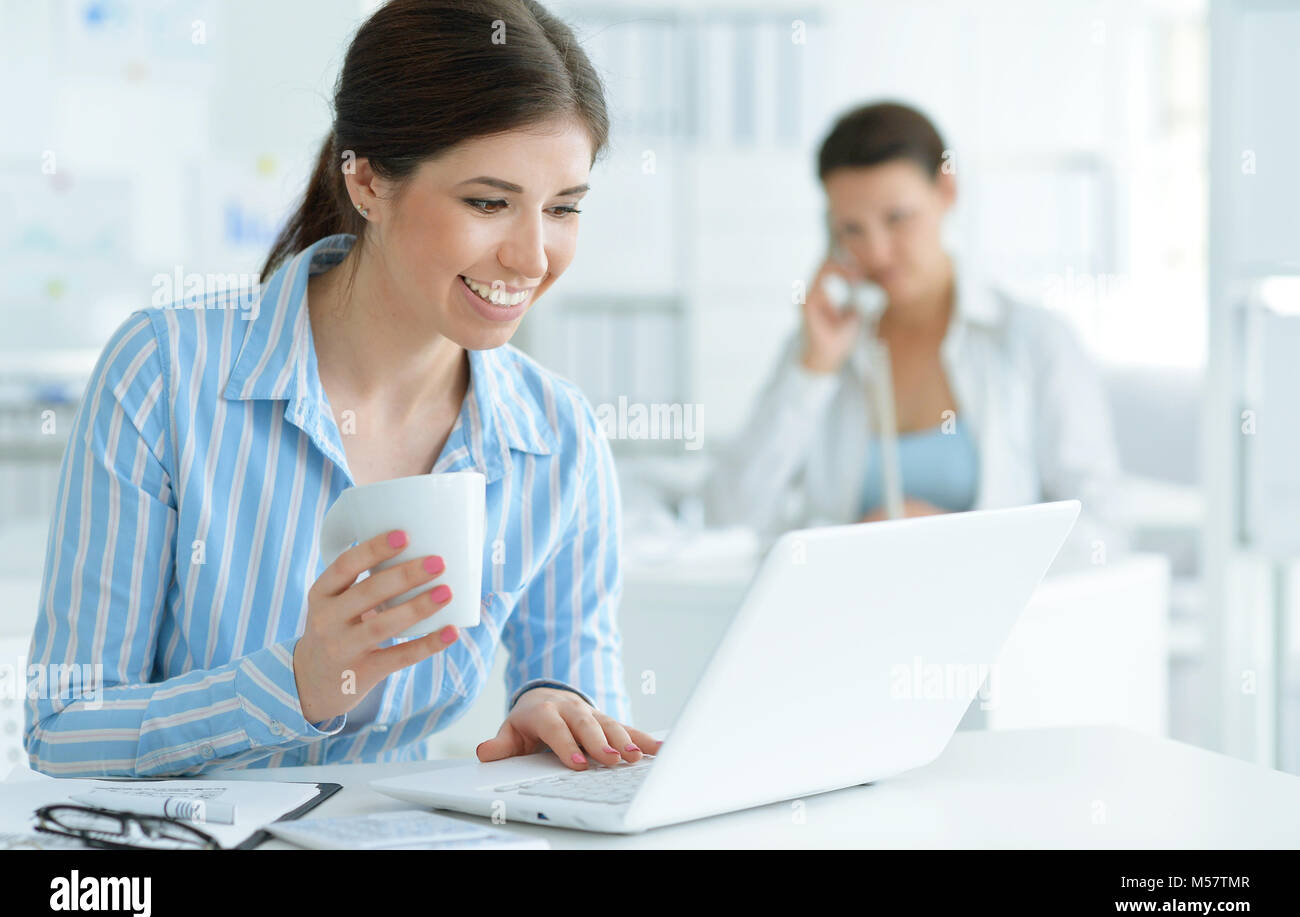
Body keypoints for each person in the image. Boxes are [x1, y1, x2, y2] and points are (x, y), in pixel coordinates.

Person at [25, 0, 660, 777]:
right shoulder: (164, 374)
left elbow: (579, 696)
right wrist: (293, 686)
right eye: (488, 203)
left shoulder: (557, 436)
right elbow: (62, 728)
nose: (532, 256)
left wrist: (558, 707)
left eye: (563, 209)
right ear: (367, 181)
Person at [704, 101, 1126, 566]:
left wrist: (952, 543)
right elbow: (730, 517)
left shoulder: (1034, 342)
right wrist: (813, 370)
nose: (877, 252)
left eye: (897, 218)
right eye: (851, 229)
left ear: (946, 190)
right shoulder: (823, 348)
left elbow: (1103, 537)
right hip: (850, 623)